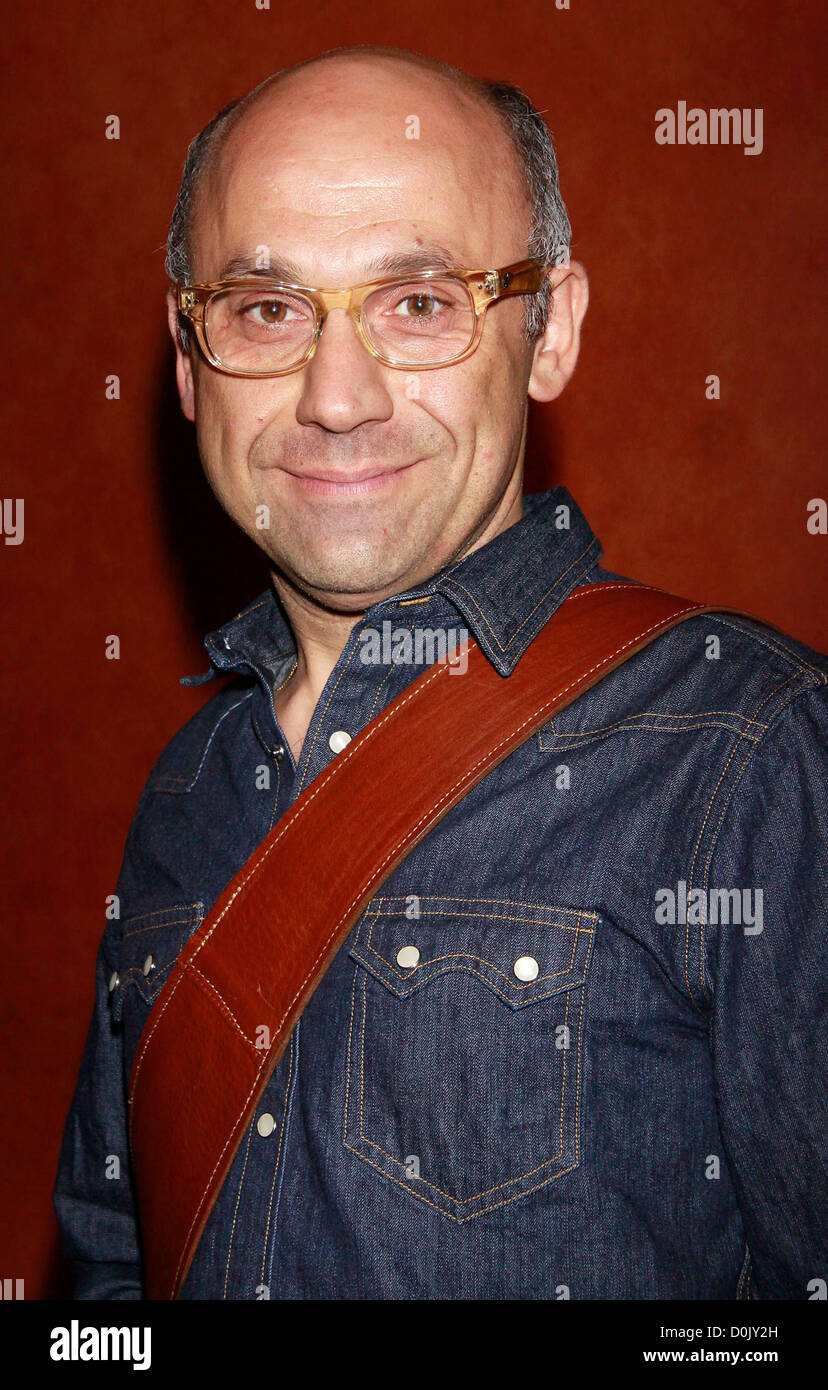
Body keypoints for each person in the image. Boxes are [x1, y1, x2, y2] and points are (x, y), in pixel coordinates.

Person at [54, 44, 827, 1300]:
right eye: (267, 308)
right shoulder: (189, 788)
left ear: (550, 331)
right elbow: (108, 1274)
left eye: (419, 302)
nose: (337, 396)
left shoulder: (751, 757)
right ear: (190, 362)